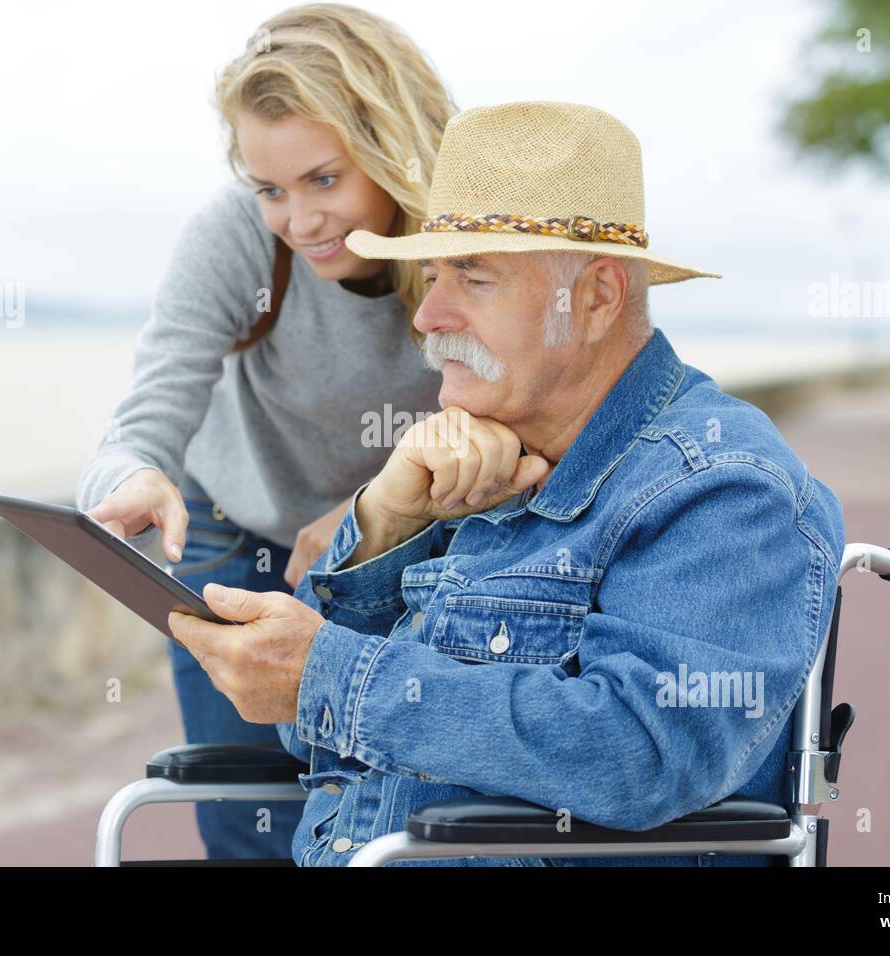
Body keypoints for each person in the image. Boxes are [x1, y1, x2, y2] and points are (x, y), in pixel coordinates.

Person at [167, 100, 848, 866]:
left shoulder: (723, 485)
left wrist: (326, 670)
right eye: (430, 277)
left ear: (594, 298)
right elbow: (308, 724)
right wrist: (386, 522)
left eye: (474, 278)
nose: (427, 316)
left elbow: (642, 752)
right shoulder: (478, 465)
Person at [75, 4, 455, 860]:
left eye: (326, 179)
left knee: (393, 791)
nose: (300, 220)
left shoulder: (464, 240)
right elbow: (137, 428)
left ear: (395, 147)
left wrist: (369, 516)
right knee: (247, 796)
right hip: (233, 523)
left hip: (414, 533)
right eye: (271, 189)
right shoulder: (232, 237)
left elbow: (518, 429)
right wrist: (128, 480)